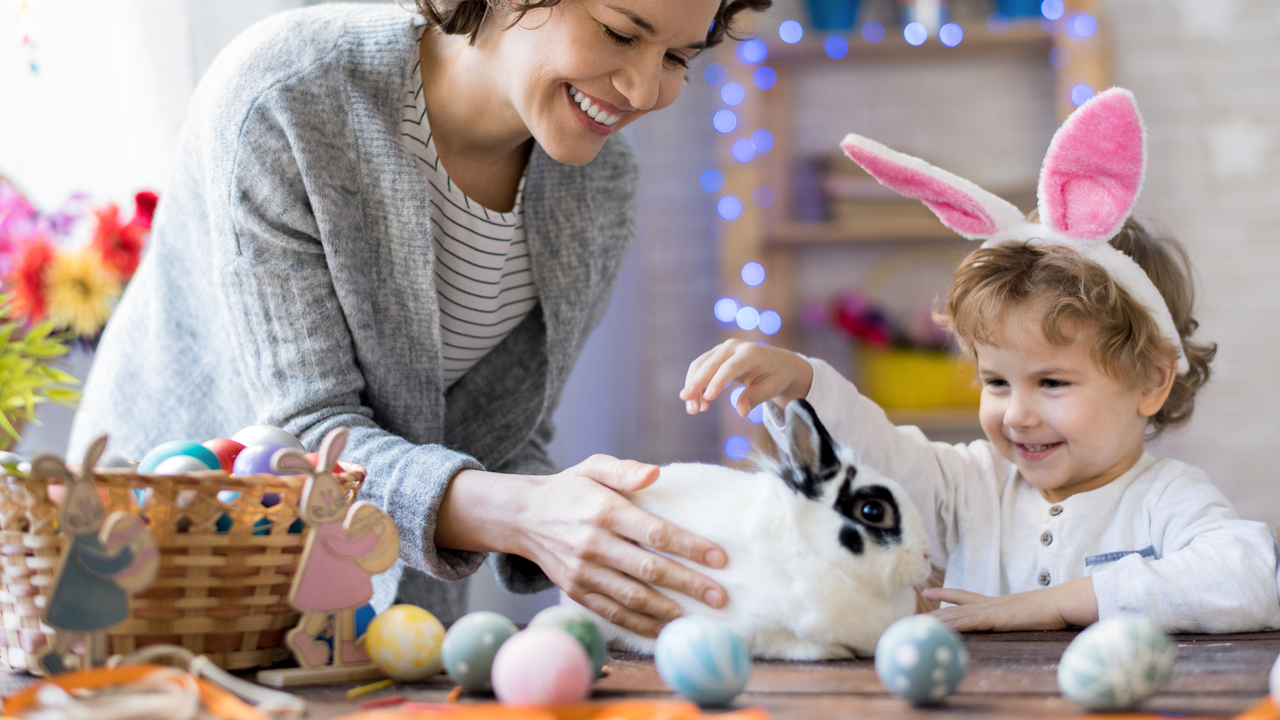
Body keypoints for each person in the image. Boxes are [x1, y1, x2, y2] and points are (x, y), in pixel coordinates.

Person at [69, 0, 768, 637]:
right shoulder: (287, 95)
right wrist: (532, 516)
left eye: (680, 57)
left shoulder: (602, 183)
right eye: (619, 32)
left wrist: (605, 521)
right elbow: (305, 443)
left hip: (370, 631)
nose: (647, 91)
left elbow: (507, 429)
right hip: (152, 575)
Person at [681, 89, 1280, 633]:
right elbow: (877, 454)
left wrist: (1065, 600)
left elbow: (1251, 579)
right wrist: (800, 381)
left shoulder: (1166, 501)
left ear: (1149, 381)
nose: (1016, 414)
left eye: (1050, 381)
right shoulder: (970, 486)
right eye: (996, 381)